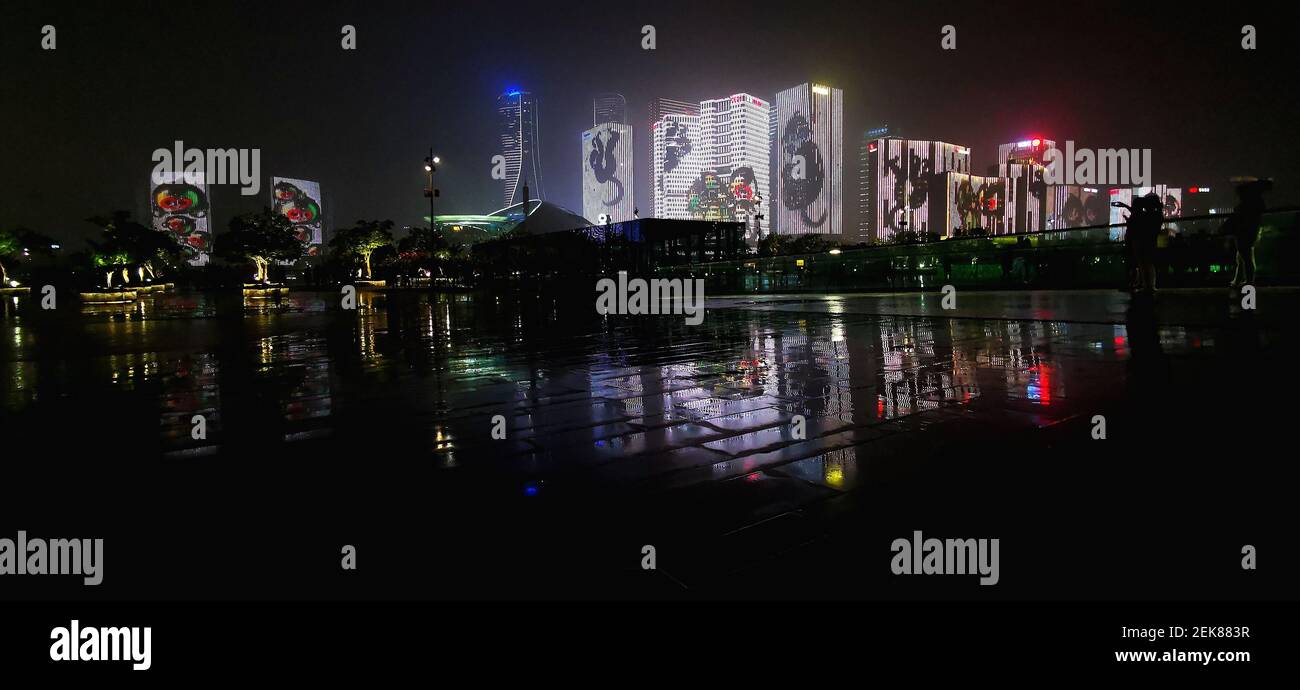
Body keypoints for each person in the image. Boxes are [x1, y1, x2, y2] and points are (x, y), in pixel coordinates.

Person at [1222, 179, 1272, 288]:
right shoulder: (1255, 203)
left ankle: (1247, 281)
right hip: (1249, 232)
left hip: (1244, 232)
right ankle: (1243, 280)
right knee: (1243, 257)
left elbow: (1239, 218)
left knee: (1245, 257)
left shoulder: (1246, 205)